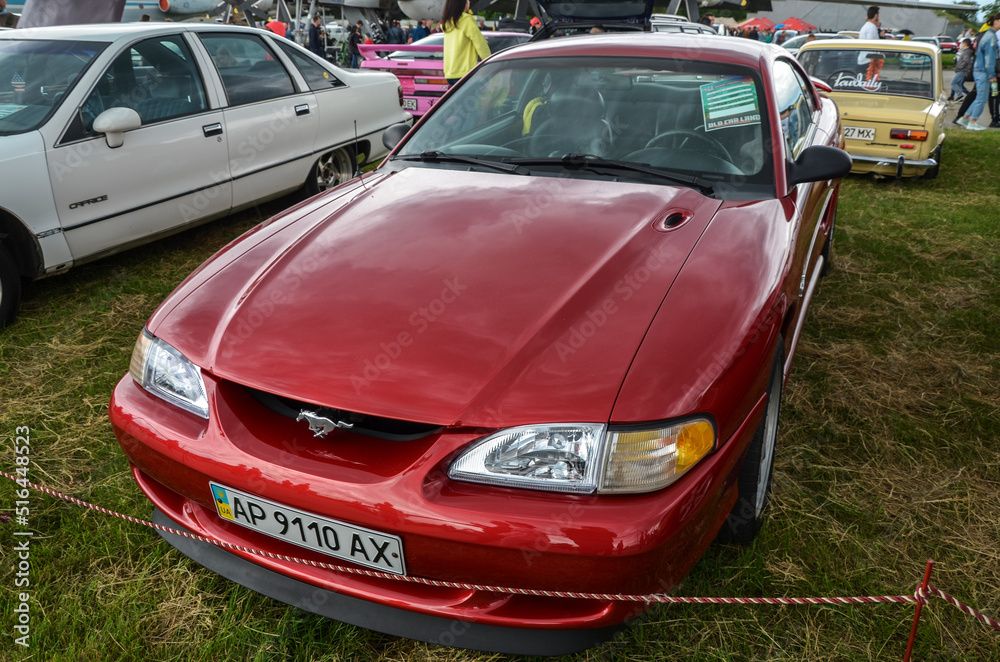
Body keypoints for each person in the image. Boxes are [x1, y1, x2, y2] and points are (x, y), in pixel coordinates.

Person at [957, 13, 999, 130]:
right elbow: (989, 58)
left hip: (978, 70)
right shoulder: (991, 37)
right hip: (984, 71)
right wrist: (992, 75)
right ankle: (973, 121)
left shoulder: (987, 35)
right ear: (995, 21)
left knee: (978, 97)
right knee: (982, 98)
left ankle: (964, 118)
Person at [441, 0, 490, 86]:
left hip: (450, 73)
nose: (469, 2)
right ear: (461, 3)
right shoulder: (466, 20)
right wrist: (490, 61)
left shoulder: (447, 22)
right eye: (467, 0)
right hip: (465, 72)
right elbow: (480, 44)